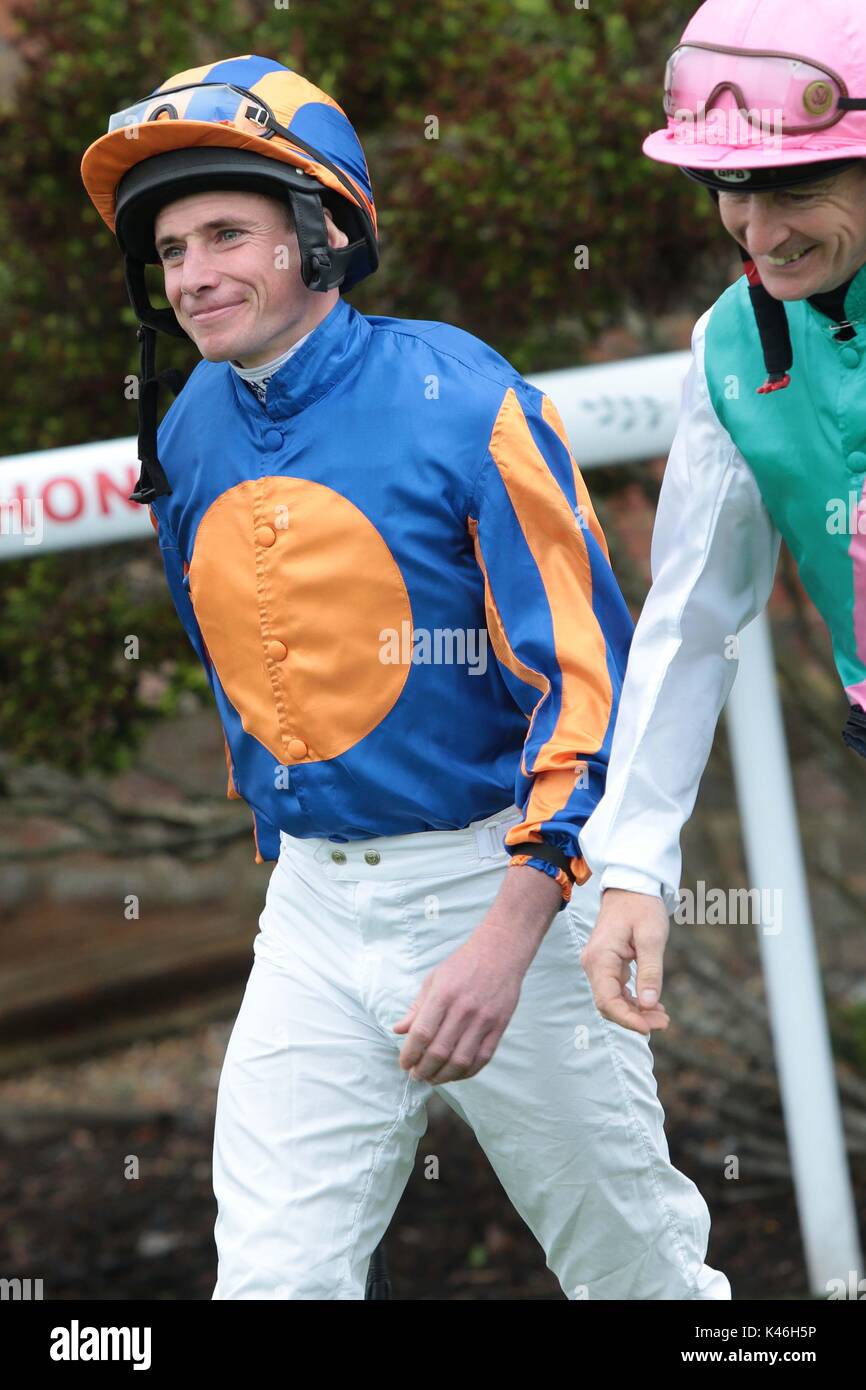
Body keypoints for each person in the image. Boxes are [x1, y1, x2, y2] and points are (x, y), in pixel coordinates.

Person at [80, 54, 730, 1300]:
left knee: (633, 1275)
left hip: (506, 891)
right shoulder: (188, 426)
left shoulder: (464, 394)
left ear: (320, 238)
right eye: (169, 252)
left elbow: (591, 683)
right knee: (268, 1282)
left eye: (226, 233)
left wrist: (509, 926)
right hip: (315, 915)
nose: (194, 274)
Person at [579, 0, 866, 1034]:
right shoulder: (730, 344)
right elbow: (691, 618)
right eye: (729, 190)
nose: (759, 230)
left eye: (796, 186)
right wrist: (632, 864)